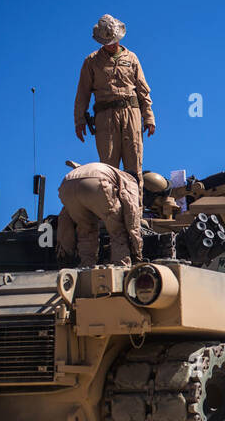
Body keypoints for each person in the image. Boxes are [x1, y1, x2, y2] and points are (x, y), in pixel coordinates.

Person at [73, 14, 156, 187]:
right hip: (105, 117)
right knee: (108, 170)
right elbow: (82, 94)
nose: (111, 45)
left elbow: (143, 91)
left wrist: (149, 118)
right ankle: (111, 211)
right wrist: (79, 121)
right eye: (107, 42)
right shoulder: (91, 62)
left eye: (113, 40)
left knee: (134, 167)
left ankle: (135, 209)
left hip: (131, 114)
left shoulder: (131, 58)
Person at [56, 161, 143, 266]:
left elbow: (64, 217)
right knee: (118, 231)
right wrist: (137, 250)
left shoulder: (108, 170)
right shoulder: (130, 180)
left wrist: (65, 250)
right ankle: (121, 266)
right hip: (97, 183)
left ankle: (86, 266)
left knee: (86, 232)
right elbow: (132, 213)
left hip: (66, 184)